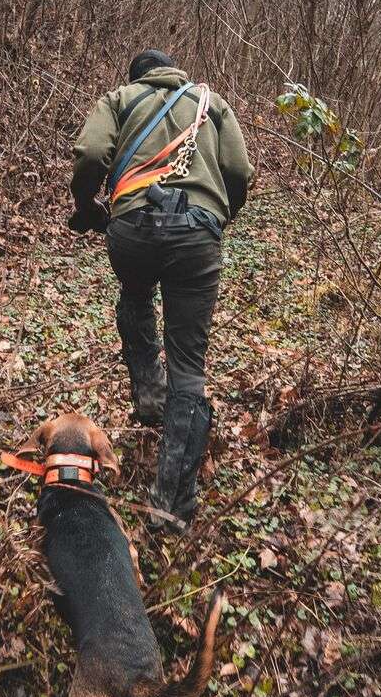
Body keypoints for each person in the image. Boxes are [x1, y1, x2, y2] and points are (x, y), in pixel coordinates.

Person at [69, 49, 252, 530]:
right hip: (196, 234)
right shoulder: (212, 103)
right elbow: (239, 172)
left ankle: (149, 392)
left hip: (130, 228)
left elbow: (89, 154)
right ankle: (172, 503)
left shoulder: (120, 99)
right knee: (189, 367)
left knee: (134, 297)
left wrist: (86, 206)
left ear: (137, 78)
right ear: (174, 71)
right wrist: (217, 215)